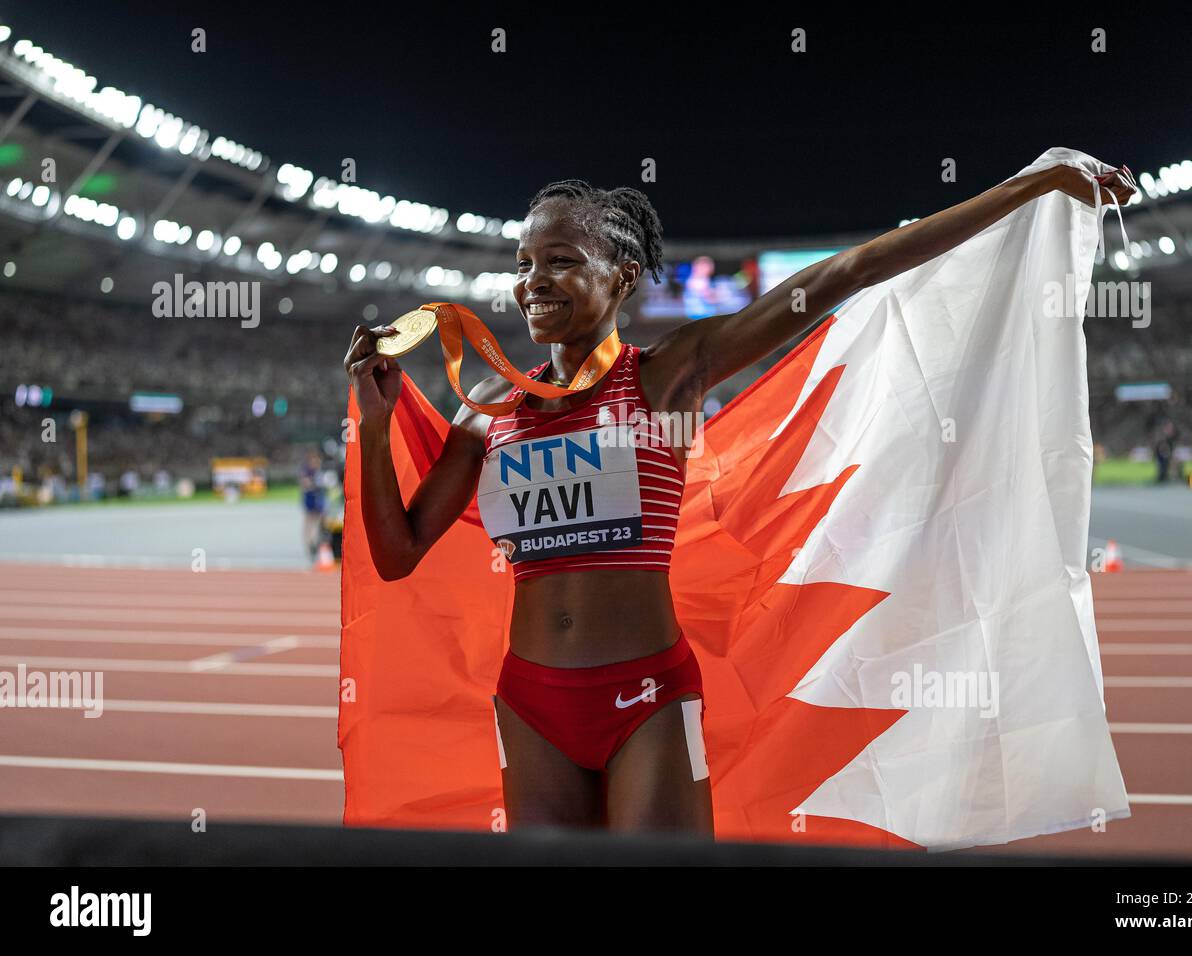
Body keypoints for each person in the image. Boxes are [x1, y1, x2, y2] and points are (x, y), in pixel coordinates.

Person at [344, 163, 1137, 834]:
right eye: (523, 262)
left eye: (559, 260)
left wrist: (1032, 190)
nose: (533, 282)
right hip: (529, 698)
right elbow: (397, 552)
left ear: (620, 277)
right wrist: (377, 429)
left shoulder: (668, 374)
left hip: (646, 699)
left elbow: (844, 273)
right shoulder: (490, 402)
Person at [299, 450, 325, 559]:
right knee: (309, 521)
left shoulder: (318, 470)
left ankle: (315, 541)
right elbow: (305, 484)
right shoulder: (307, 470)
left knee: (318, 521)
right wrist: (314, 484)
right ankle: (310, 543)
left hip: (318, 498)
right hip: (310, 498)